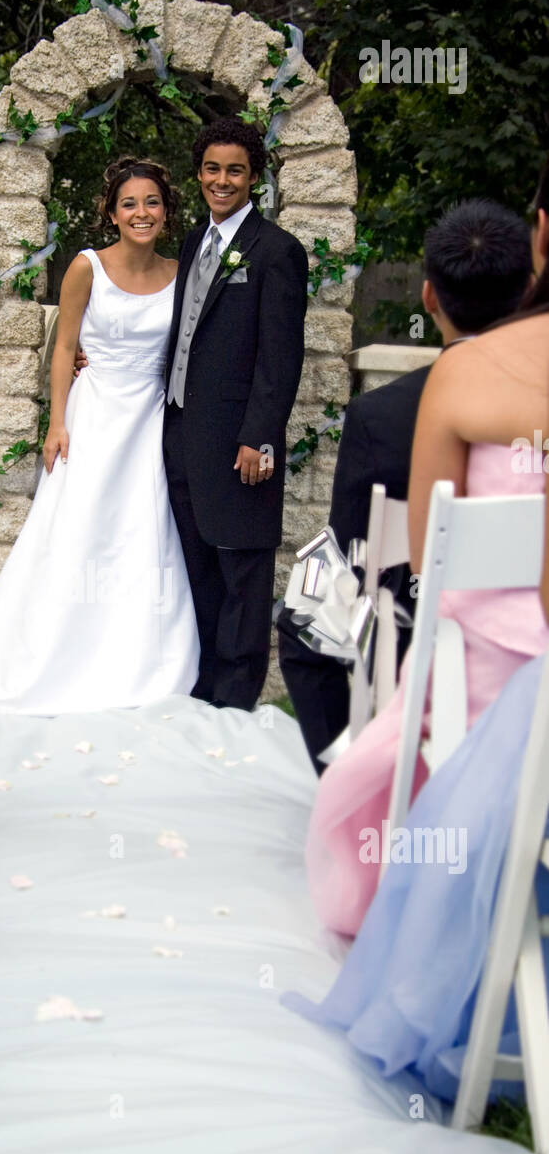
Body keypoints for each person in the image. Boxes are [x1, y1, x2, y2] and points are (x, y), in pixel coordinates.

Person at [303, 163, 549, 940]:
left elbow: (407, 560)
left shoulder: (437, 389)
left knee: (329, 628)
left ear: (429, 296)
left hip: (489, 676)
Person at [0, 157, 200, 715]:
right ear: (111, 212)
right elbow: (62, 348)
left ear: (167, 212)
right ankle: (52, 656)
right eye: (129, 203)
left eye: (152, 202)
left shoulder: (185, 272)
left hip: (151, 417)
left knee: (141, 532)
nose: (141, 212)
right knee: (80, 527)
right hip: (94, 413)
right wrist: (57, 422)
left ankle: (139, 663)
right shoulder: (86, 268)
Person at [278, 199, 534, 772]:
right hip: (529, 625)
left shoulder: (384, 414)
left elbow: (350, 554)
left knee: (304, 606)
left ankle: (358, 778)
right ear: (527, 292)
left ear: (429, 298)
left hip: (423, 629)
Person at [162, 117, 308, 711]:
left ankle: (236, 697)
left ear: (255, 178)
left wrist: (260, 439)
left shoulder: (277, 252)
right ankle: (203, 685)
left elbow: (281, 359)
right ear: (199, 174)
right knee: (197, 563)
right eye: (212, 169)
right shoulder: (195, 239)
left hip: (240, 442)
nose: (222, 181)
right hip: (180, 433)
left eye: (236, 171)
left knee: (243, 570)